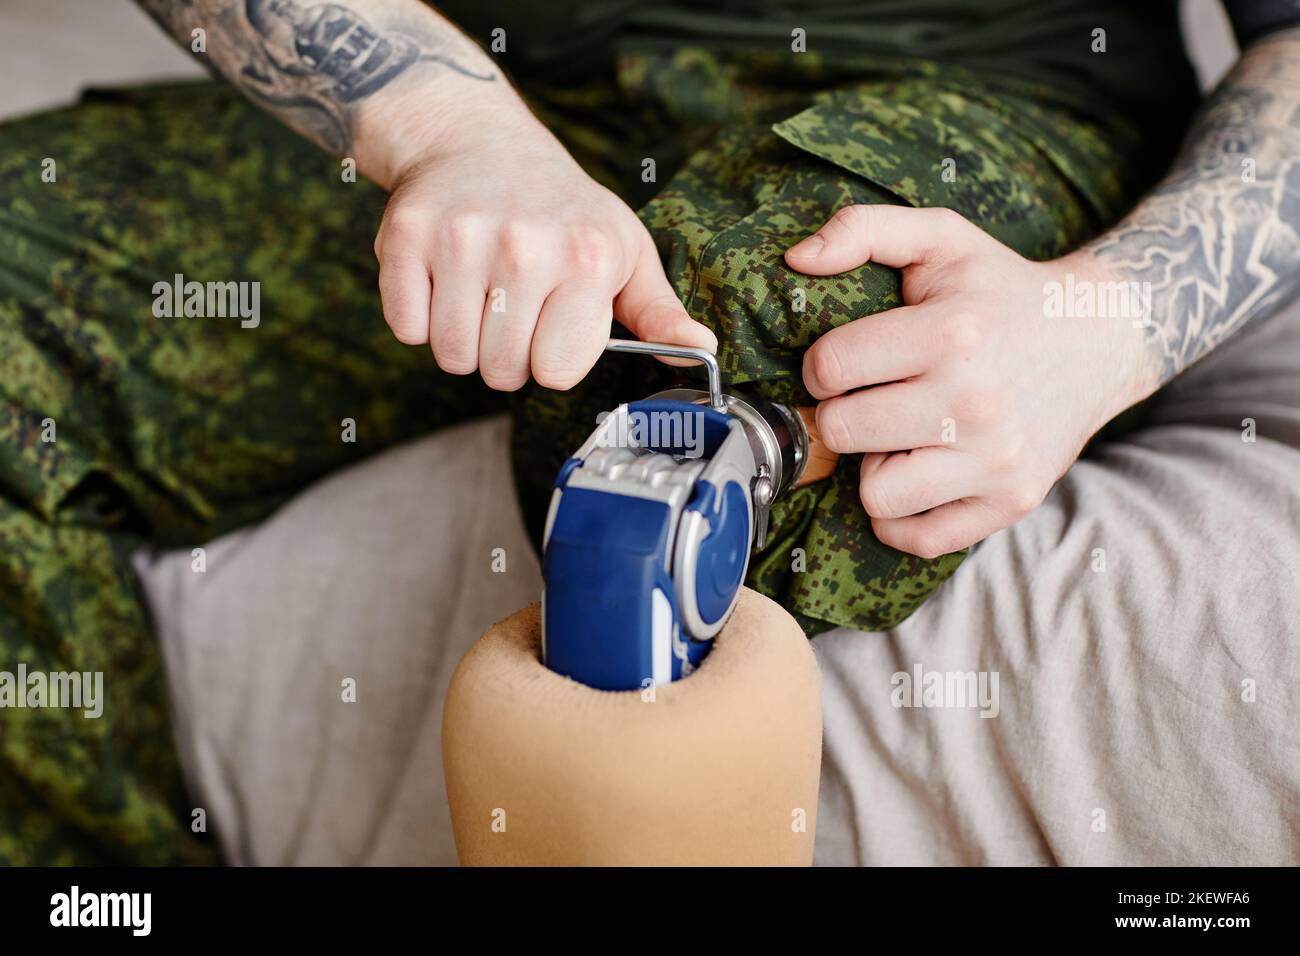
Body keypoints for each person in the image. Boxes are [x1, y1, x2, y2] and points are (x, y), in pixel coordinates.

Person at [0, 0, 1295, 864]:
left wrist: (1111, 316)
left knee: (784, 353)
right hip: (481, 93)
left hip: (955, 95)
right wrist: (446, 128)